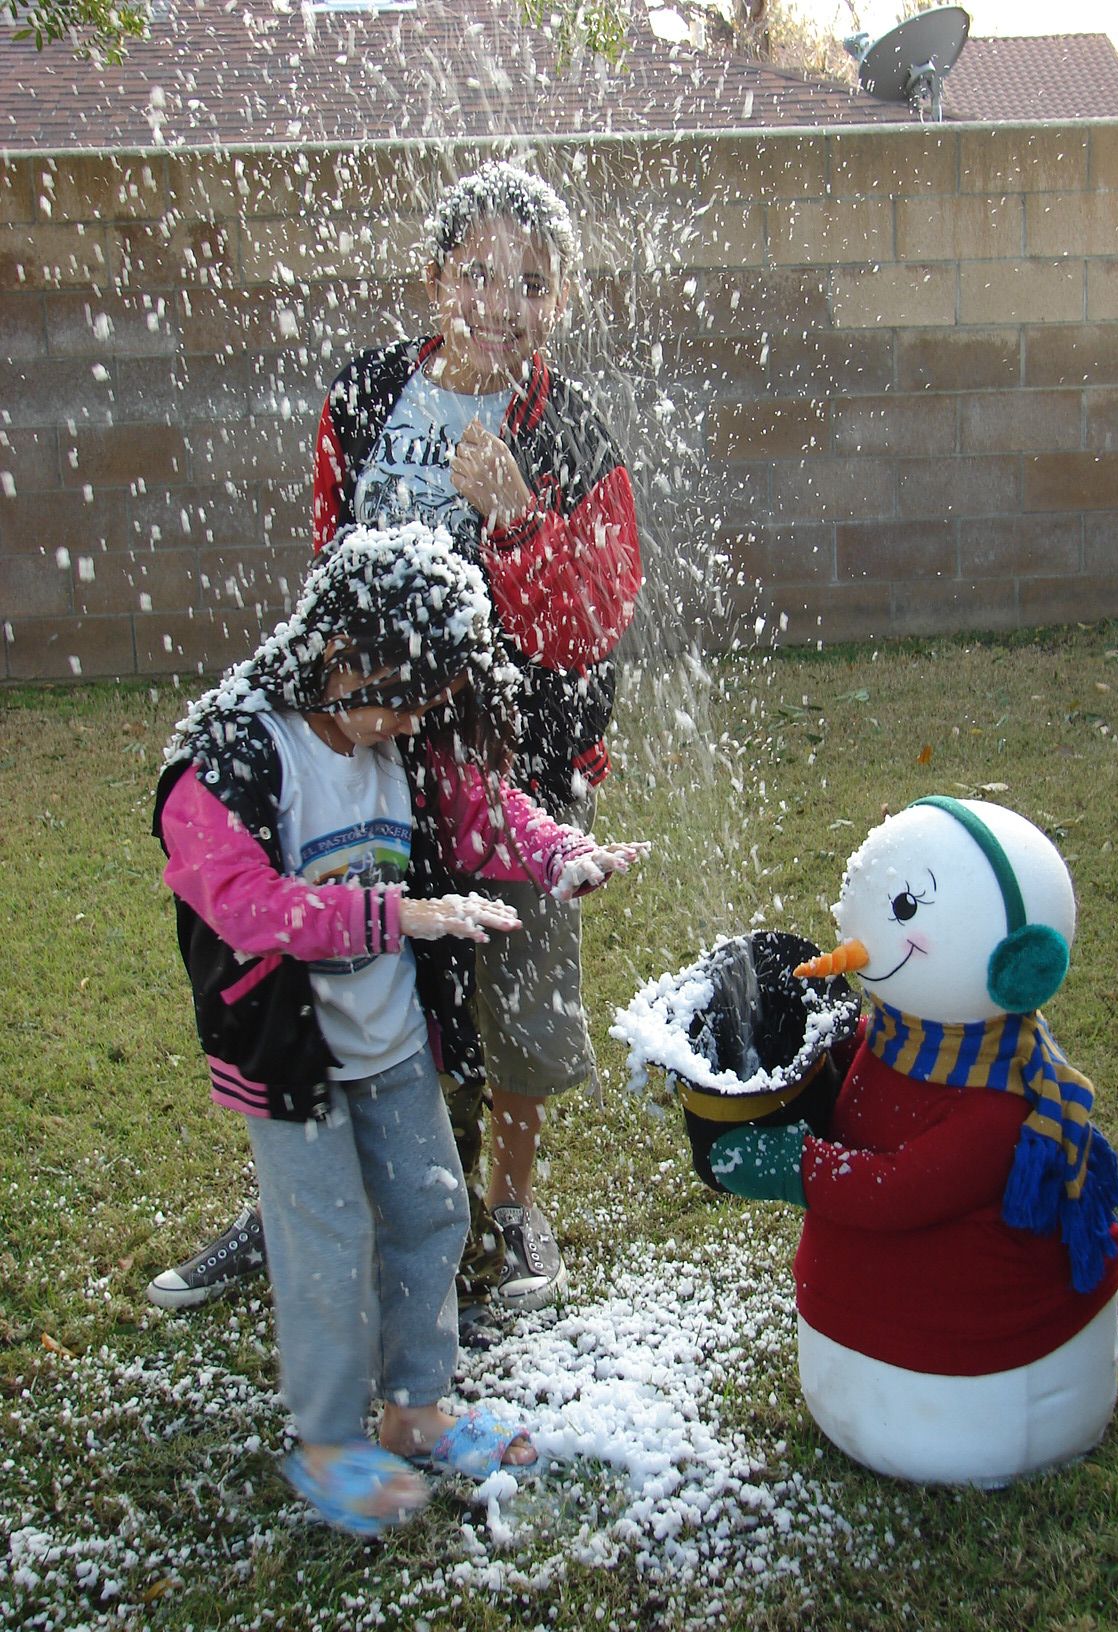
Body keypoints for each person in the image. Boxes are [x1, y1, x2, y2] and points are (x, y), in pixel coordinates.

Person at [148, 160, 642, 1332]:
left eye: (531, 282)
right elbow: (330, 562)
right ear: (434, 281)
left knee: (517, 990)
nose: (501, 303)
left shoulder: (568, 433)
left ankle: (508, 1209)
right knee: (334, 975)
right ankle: (296, 1198)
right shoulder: (368, 396)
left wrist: (520, 516)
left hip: (510, 765)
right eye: (476, 273)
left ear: (558, 303)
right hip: (363, 761)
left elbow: (590, 623)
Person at [153, 527, 640, 1534]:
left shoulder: (400, 741)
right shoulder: (235, 759)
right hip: (293, 1063)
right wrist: (394, 917)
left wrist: (557, 855)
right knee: (327, 1246)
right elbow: (242, 906)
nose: (415, 720)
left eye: (430, 700)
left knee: (429, 1214)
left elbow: (479, 806)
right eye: (403, 693)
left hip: (396, 1043)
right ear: (339, 649)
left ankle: (417, 1409)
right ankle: (330, 1443)